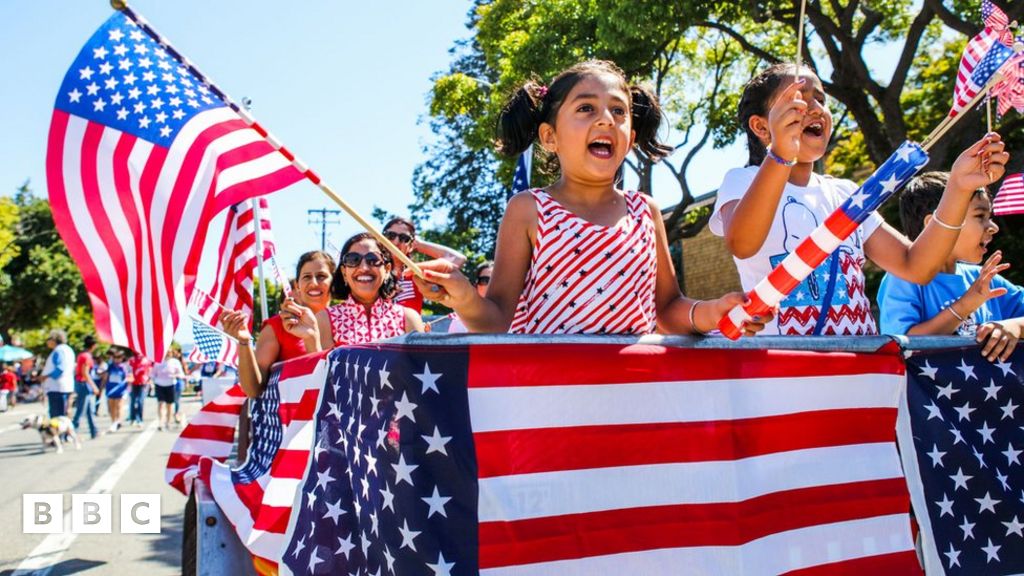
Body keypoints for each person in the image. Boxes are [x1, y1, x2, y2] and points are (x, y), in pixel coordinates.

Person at [412, 60, 770, 336]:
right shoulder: (529, 209)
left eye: (618, 111)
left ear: (629, 139)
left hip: (636, 399)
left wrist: (713, 312)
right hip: (550, 400)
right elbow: (495, 320)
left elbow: (668, 309)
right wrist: (464, 297)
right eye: (586, 108)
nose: (605, 120)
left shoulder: (646, 211)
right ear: (550, 136)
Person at [710, 63, 1009, 335]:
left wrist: (958, 186)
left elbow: (915, 265)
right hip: (784, 369)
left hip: (860, 368)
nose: (815, 108)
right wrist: (780, 155)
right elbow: (743, 243)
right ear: (761, 127)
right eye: (798, 99)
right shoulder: (742, 181)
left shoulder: (844, 193)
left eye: (821, 99)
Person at [879, 172, 1023, 362]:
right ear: (933, 225)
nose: (993, 226)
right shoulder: (902, 278)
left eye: (990, 216)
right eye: (980, 215)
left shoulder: (985, 278)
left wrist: (1015, 326)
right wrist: (965, 305)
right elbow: (901, 345)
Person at [222, 251, 336, 398]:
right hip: (293, 419)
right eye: (306, 277)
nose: (313, 283)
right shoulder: (278, 326)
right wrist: (243, 343)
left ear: (335, 281)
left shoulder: (350, 322)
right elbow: (253, 389)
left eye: (321, 276)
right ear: (297, 285)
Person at [314, 232, 425, 348]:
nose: (363, 268)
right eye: (353, 260)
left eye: (373, 259)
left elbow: (419, 365)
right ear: (344, 272)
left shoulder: (409, 318)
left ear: (387, 269)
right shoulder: (324, 320)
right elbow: (322, 365)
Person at [383, 216, 466, 313]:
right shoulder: (371, 271)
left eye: (404, 238)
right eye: (391, 236)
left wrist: (420, 244)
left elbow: (458, 259)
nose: (396, 242)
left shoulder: (416, 272)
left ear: (411, 245)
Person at [447, 261, 493, 333]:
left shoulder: (515, 320)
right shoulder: (459, 322)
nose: (490, 285)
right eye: (485, 280)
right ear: (476, 286)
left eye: (494, 280)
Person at [41, 329, 76, 418]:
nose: (47, 342)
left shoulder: (58, 351)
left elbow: (60, 368)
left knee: (56, 417)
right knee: (63, 415)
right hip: (66, 386)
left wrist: (46, 376)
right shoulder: (68, 349)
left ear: (54, 339)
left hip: (56, 387)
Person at [72, 335, 99, 439]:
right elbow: (85, 373)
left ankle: (94, 430)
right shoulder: (87, 357)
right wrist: (94, 386)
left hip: (81, 383)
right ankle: (72, 431)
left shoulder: (81, 355)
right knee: (81, 410)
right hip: (84, 384)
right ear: (93, 345)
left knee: (89, 409)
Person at [153, 349, 186, 430]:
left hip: (171, 384)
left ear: (171, 354)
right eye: (166, 353)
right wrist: (152, 380)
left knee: (169, 405)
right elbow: (153, 373)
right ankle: (160, 422)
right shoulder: (158, 362)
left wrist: (175, 375)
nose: (167, 354)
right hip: (160, 384)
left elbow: (181, 373)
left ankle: (168, 422)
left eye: (169, 353)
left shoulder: (175, 362)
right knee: (160, 403)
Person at [101, 348, 131, 432]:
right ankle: (113, 422)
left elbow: (130, 377)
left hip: (121, 390)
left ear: (122, 358)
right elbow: (106, 377)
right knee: (111, 407)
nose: (116, 359)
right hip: (110, 389)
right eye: (115, 357)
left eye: (119, 357)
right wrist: (102, 387)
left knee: (119, 406)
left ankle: (118, 421)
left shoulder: (125, 367)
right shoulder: (110, 366)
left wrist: (128, 384)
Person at [127, 352, 153, 427]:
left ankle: (139, 419)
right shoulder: (132, 360)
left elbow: (150, 371)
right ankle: (133, 418)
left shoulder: (147, 360)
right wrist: (129, 378)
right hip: (133, 383)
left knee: (140, 401)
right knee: (133, 401)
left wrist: (150, 381)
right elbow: (129, 371)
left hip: (143, 384)